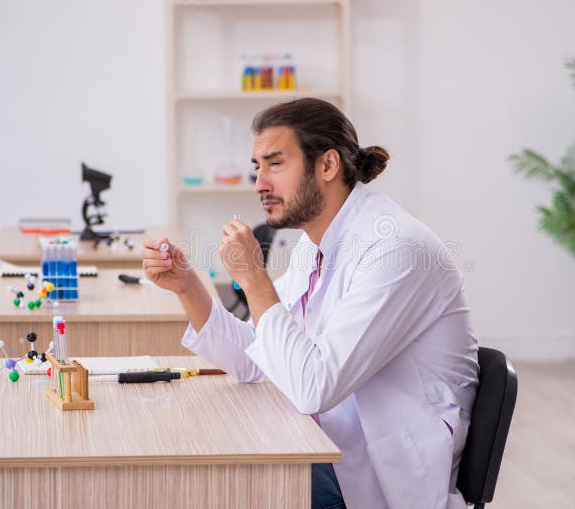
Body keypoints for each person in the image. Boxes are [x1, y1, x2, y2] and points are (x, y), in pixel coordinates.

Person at [142, 98, 479, 509]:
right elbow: (258, 357)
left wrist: (253, 277)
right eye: (256, 168)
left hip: (377, 478)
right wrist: (187, 286)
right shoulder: (316, 243)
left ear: (327, 165)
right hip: (331, 448)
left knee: (209, 485)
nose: (260, 183)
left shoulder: (395, 248)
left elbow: (313, 387)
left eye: (275, 164)